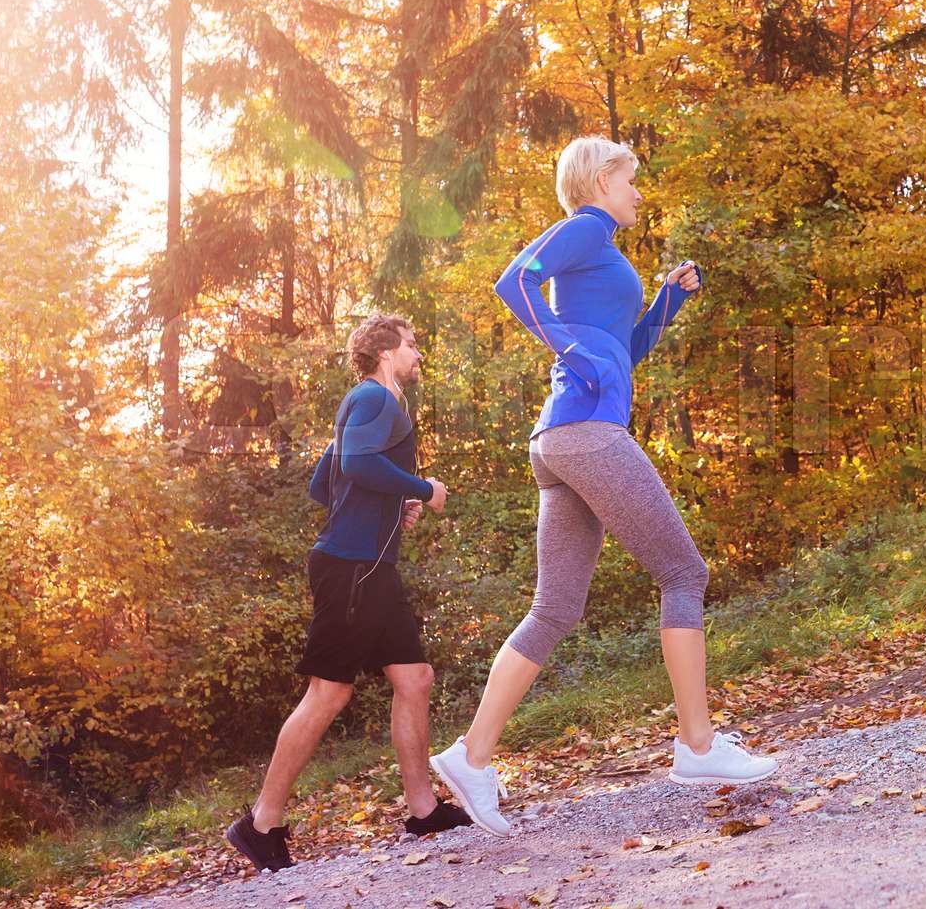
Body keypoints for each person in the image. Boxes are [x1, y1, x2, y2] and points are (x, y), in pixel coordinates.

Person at [429, 136, 777, 836]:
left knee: (555, 607)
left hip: (561, 439)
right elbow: (514, 280)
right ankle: (699, 746)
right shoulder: (586, 227)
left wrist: (666, 303)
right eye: (629, 179)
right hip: (587, 432)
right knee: (683, 571)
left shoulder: (607, 252)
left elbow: (629, 348)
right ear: (598, 180)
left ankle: (471, 756)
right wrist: (566, 345)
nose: (638, 192)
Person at [225, 315, 470, 872]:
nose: (417, 356)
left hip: (371, 567)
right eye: (411, 345)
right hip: (351, 568)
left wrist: (390, 505)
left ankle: (423, 810)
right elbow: (357, 465)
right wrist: (422, 489)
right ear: (386, 352)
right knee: (328, 693)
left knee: (414, 678)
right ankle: (260, 824)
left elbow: (325, 483)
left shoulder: (364, 404)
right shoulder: (377, 399)